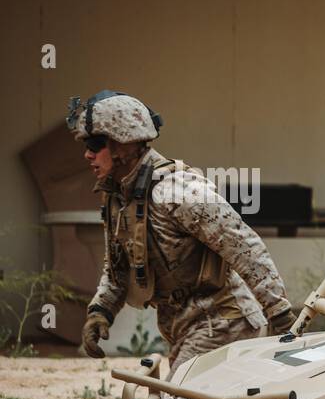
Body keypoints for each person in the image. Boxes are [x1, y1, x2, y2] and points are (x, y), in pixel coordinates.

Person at [68, 90, 294, 371]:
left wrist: (279, 312)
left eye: (95, 144)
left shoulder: (175, 189)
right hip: (183, 326)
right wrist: (100, 312)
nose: (87, 154)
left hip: (223, 321)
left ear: (122, 143)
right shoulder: (119, 198)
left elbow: (244, 245)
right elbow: (117, 266)